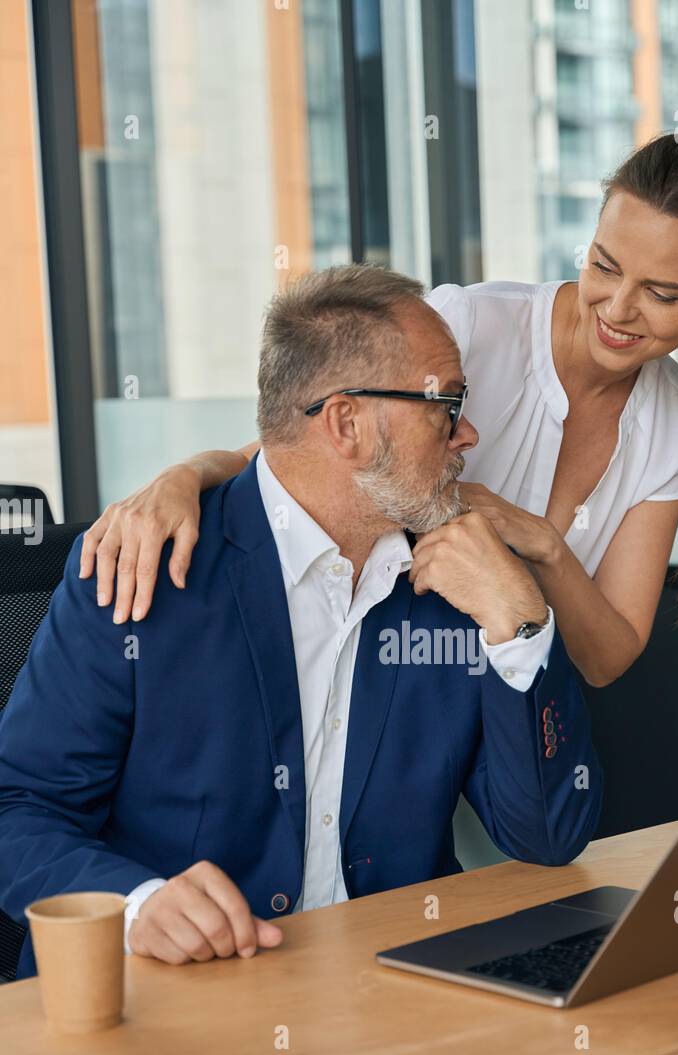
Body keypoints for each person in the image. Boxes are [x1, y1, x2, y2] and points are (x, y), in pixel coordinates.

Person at [0, 265, 603, 980]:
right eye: (446, 403)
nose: (467, 433)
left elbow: (547, 834)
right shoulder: (141, 567)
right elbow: (19, 810)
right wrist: (138, 905)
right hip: (179, 995)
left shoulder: (460, 579)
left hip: (400, 989)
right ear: (346, 422)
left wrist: (523, 626)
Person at [79, 134, 678, 686]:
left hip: (513, 720)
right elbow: (307, 448)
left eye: (661, 294)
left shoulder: (676, 422)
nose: (618, 310)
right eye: (604, 265)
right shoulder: (471, 324)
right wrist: (185, 476)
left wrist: (543, 546)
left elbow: (606, 658)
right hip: (380, 686)